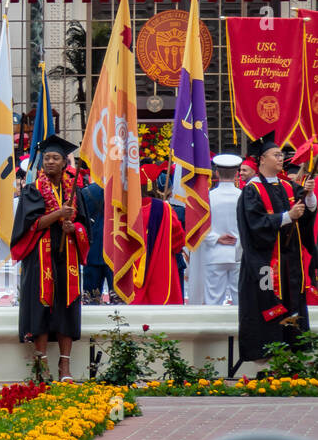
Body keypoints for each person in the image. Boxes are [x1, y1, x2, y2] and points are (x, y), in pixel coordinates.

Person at [11, 135, 89, 382]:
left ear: (65, 163)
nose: (50, 162)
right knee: (40, 307)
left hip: (67, 256)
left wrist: (73, 229)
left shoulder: (76, 192)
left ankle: (64, 367)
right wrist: (58, 214)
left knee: (68, 307)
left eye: (56, 158)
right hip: (39, 257)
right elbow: (28, 225)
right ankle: (41, 364)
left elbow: (85, 226)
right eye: (47, 158)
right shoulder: (32, 191)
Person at [236, 133, 318, 363]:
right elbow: (254, 226)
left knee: (293, 308)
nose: (281, 158)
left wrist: (309, 196)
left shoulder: (288, 186)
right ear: (262, 159)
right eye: (276, 154)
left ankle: (293, 360)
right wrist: (285, 217)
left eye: (282, 154)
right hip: (264, 263)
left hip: (290, 264)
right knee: (267, 306)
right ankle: (267, 361)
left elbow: (305, 215)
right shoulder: (251, 190)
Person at [186, 154, 243, 306]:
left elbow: (198, 225)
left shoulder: (208, 197)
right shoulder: (243, 196)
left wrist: (215, 238)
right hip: (239, 252)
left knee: (213, 299)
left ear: (216, 173)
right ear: (237, 173)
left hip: (214, 252)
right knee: (240, 300)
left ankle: (213, 330)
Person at [132, 171, 186, 305]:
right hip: (162, 263)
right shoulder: (165, 208)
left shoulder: (126, 209)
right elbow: (178, 239)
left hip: (132, 265)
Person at [76, 167, 110, 304]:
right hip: (115, 249)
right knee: (119, 300)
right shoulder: (122, 192)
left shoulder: (86, 192)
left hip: (92, 249)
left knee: (91, 299)